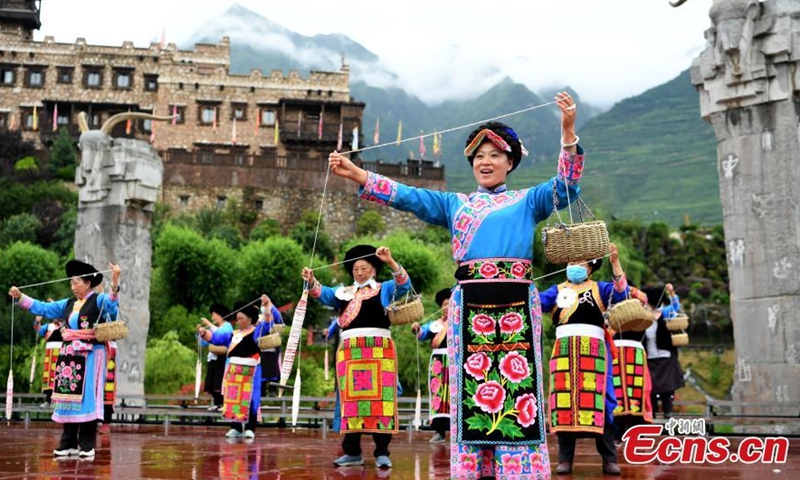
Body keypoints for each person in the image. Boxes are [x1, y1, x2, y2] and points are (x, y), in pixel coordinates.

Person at [327, 91, 582, 479]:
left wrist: (567, 132)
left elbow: (566, 187)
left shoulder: (528, 201)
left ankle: (520, 469)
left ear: (510, 162)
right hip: (469, 310)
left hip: (516, 310)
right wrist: (359, 174)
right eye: (479, 156)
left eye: (495, 155)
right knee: (471, 391)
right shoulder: (455, 205)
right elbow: (409, 197)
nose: (485, 161)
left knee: (518, 389)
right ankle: (475, 468)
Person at [302, 244, 411, 469]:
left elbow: (404, 285)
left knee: (382, 402)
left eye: (363, 268)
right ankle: (352, 452)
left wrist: (390, 261)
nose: (359, 272)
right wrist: (311, 279)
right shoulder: (343, 293)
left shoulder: (385, 288)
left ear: (373, 270)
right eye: (355, 269)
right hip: (351, 354)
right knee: (350, 403)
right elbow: (322, 294)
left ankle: (382, 451)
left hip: (379, 352)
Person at [9, 260, 122, 458]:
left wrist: (115, 280)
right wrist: (21, 297)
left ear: (87, 283)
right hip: (69, 356)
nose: (72, 286)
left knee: (86, 398)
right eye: (70, 283)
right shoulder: (67, 304)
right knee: (66, 399)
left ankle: (86, 445)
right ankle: (67, 443)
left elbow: (112, 306)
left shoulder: (98, 300)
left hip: (91, 354)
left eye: (75, 282)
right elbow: (43, 308)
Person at [538, 246, 628, 476]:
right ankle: (565, 459)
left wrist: (615, 262)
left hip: (594, 352)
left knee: (599, 403)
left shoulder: (600, 289)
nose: (574, 266)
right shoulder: (556, 290)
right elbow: (535, 303)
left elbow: (621, 294)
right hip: (564, 353)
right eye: (571, 262)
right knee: (564, 403)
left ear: (590, 266)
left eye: (580, 262)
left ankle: (609, 459)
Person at [197, 300, 270, 439]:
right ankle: (235, 426)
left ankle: (250, 427)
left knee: (251, 400)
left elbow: (267, 325)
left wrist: (266, 307)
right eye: (237, 318)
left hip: (251, 372)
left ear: (249, 318)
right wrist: (204, 333)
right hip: (234, 372)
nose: (238, 321)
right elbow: (218, 338)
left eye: (241, 318)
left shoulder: (256, 332)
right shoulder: (234, 334)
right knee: (233, 399)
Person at [609, 285, 653, 444]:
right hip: (618, 352)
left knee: (635, 392)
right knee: (618, 392)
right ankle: (618, 432)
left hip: (632, 353)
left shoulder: (639, 305)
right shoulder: (612, 306)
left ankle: (632, 432)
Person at [410, 287, 452, 444]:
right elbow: (423, 333)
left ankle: (457, 431)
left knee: (454, 395)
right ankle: (439, 431)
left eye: (450, 304)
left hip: (456, 361)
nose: (447, 307)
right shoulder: (435, 324)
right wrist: (417, 328)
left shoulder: (461, 324)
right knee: (439, 395)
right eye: (444, 305)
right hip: (438, 364)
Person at [641, 283, 684, 419]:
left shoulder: (664, 313)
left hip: (665, 356)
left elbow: (676, 307)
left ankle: (668, 413)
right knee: (651, 388)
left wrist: (671, 292)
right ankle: (651, 414)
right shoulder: (641, 316)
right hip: (650, 358)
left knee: (668, 388)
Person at [199, 303, 233, 411]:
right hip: (213, 358)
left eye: (214, 315)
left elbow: (220, 336)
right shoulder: (217, 327)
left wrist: (209, 324)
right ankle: (217, 403)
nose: (212, 318)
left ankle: (223, 403)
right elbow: (208, 341)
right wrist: (202, 333)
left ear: (219, 315)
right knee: (212, 383)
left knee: (219, 382)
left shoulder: (227, 326)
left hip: (222, 359)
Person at [33, 310, 64, 408]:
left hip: (62, 353)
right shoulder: (48, 326)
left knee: (60, 376)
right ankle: (48, 400)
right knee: (49, 377)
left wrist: (62, 323)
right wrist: (37, 321)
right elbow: (38, 330)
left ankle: (60, 401)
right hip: (49, 355)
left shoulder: (65, 326)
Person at [257, 294, 284, 397]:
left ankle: (273, 390)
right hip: (262, 348)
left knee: (274, 368)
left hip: (273, 347)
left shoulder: (275, 317)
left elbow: (278, 317)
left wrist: (269, 303)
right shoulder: (260, 318)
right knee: (262, 370)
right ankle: (262, 391)